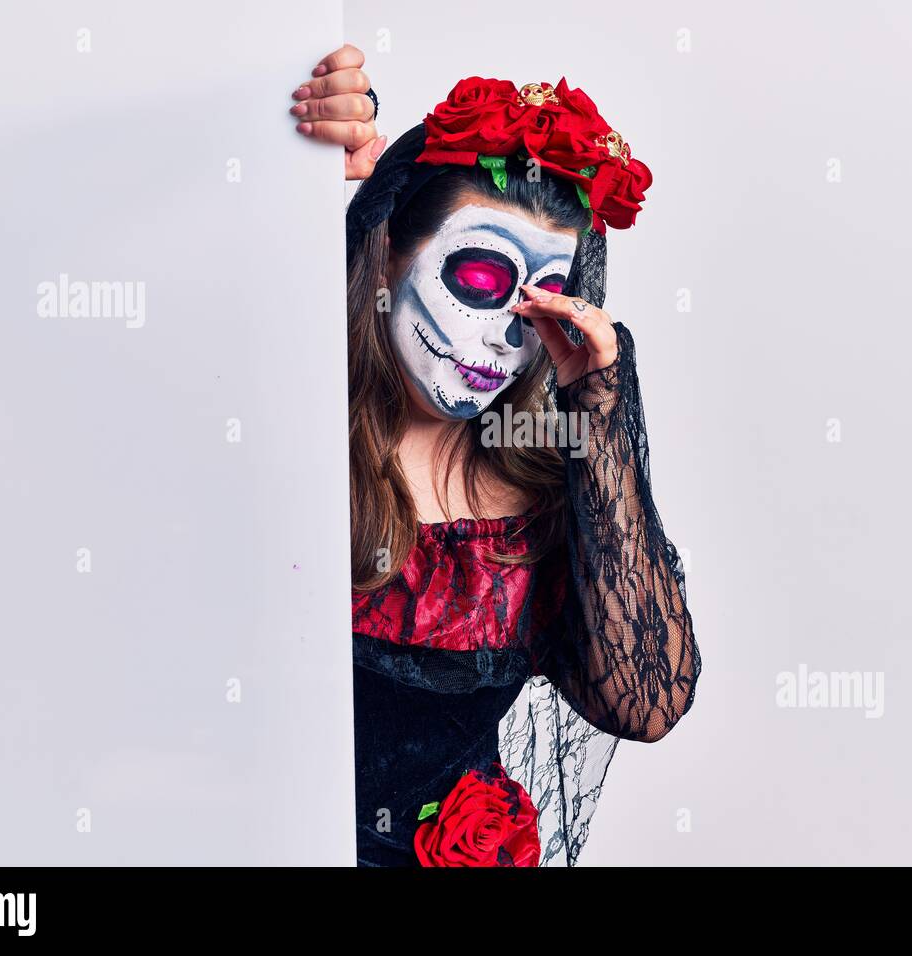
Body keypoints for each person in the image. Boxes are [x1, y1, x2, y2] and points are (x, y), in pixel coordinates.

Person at [291, 45, 700, 867]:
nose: (504, 334)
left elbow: (646, 701)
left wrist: (600, 407)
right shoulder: (290, 434)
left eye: (538, 296)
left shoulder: (539, 484)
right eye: (480, 274)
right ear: (388, 254)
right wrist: (288, 168)